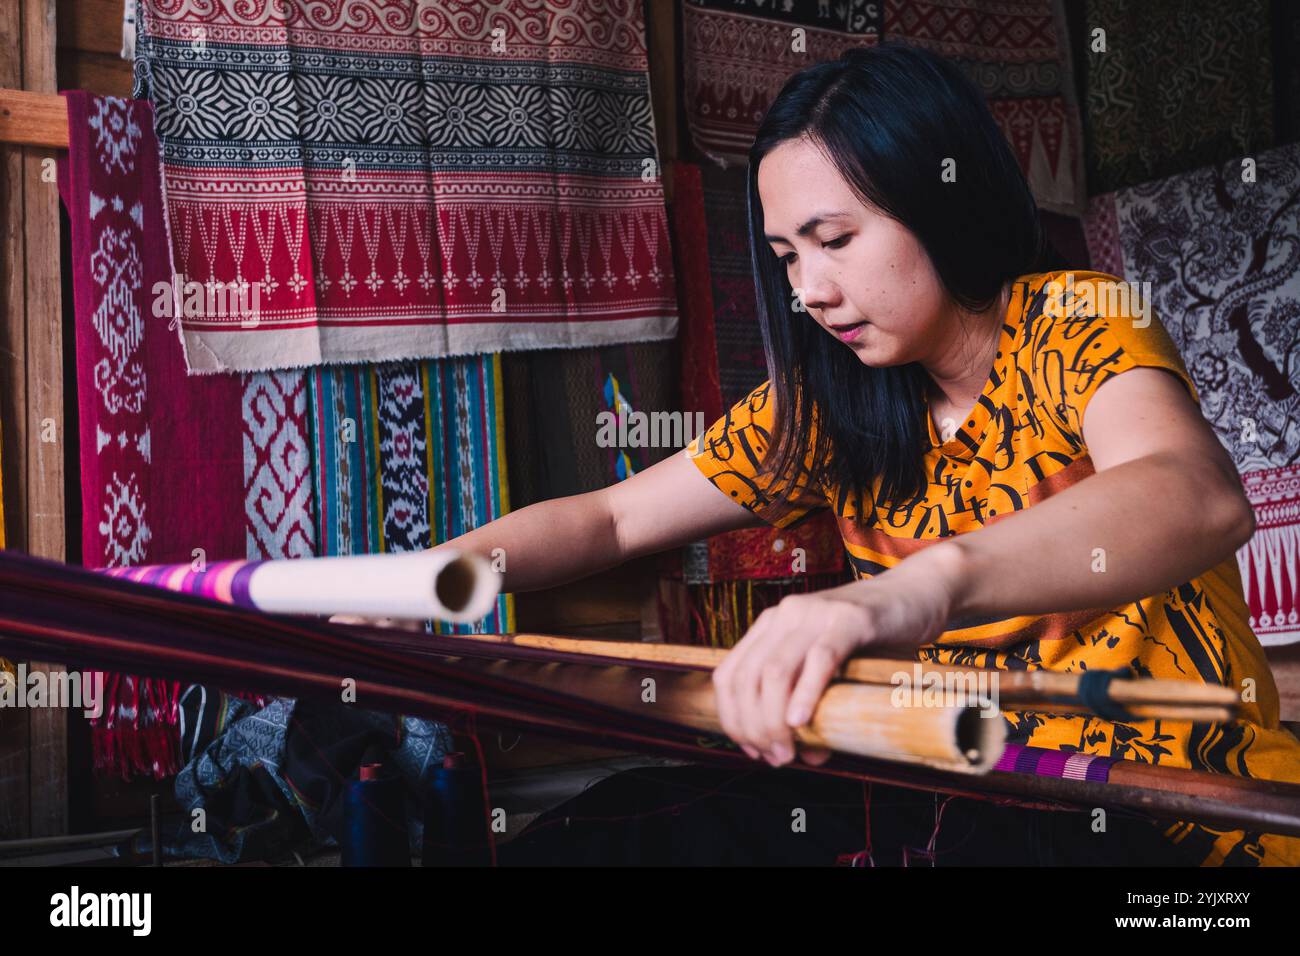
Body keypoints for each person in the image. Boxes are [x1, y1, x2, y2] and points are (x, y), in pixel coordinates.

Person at [436, 43, 1300, 865]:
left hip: (1184, 828)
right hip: (972, 794)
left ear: (939, 201)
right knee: (623, 831)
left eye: (835, 240)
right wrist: (429, 578)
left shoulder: (1072, 318)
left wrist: (905, 595)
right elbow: (612, 518)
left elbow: (1194, 494)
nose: (808, 290)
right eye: (787, 256)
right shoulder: (830, 407)